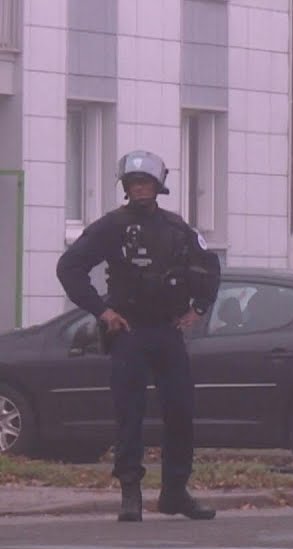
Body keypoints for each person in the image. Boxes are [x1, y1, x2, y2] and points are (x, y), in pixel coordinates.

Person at [55, 150, 221, 522]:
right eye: (133, 183)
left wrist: (199, 307)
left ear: (158, 185)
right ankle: (131, 494)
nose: (140, 188)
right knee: (129, 415)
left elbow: (208, 267)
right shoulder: (111, 226)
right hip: (129, 332)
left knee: (180, 412)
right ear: (126, 188)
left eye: (145, 182)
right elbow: (69, 268)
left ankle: (175, 492)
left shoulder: (178, 228)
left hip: (168, 331)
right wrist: (102, 310)